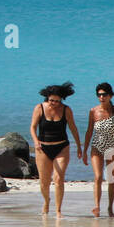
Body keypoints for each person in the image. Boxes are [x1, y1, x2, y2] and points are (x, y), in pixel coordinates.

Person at [30, 82, 82, 217]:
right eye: (51, 100)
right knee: (44, 181)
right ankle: (46, 201)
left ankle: (58, 210)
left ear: (62, 100)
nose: (54, 103)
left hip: (61, 147)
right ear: (47, 97)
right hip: (42, 148)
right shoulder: (39, 108)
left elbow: (73, 128)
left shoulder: (66, 110)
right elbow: (32, 127)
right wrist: (35, 142)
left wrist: (79, 146)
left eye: (57, 101)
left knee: (58, 179)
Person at [83, 82, 114, 217]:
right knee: (98, 176)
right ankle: (97, 207)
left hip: (112, 146)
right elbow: (89, 131)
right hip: (97, 146)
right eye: (99, 95)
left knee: (111, 178)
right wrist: (84, 151)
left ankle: (110, 208)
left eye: (104, 95)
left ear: (110, 95)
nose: (101, 97)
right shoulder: (93, 111)